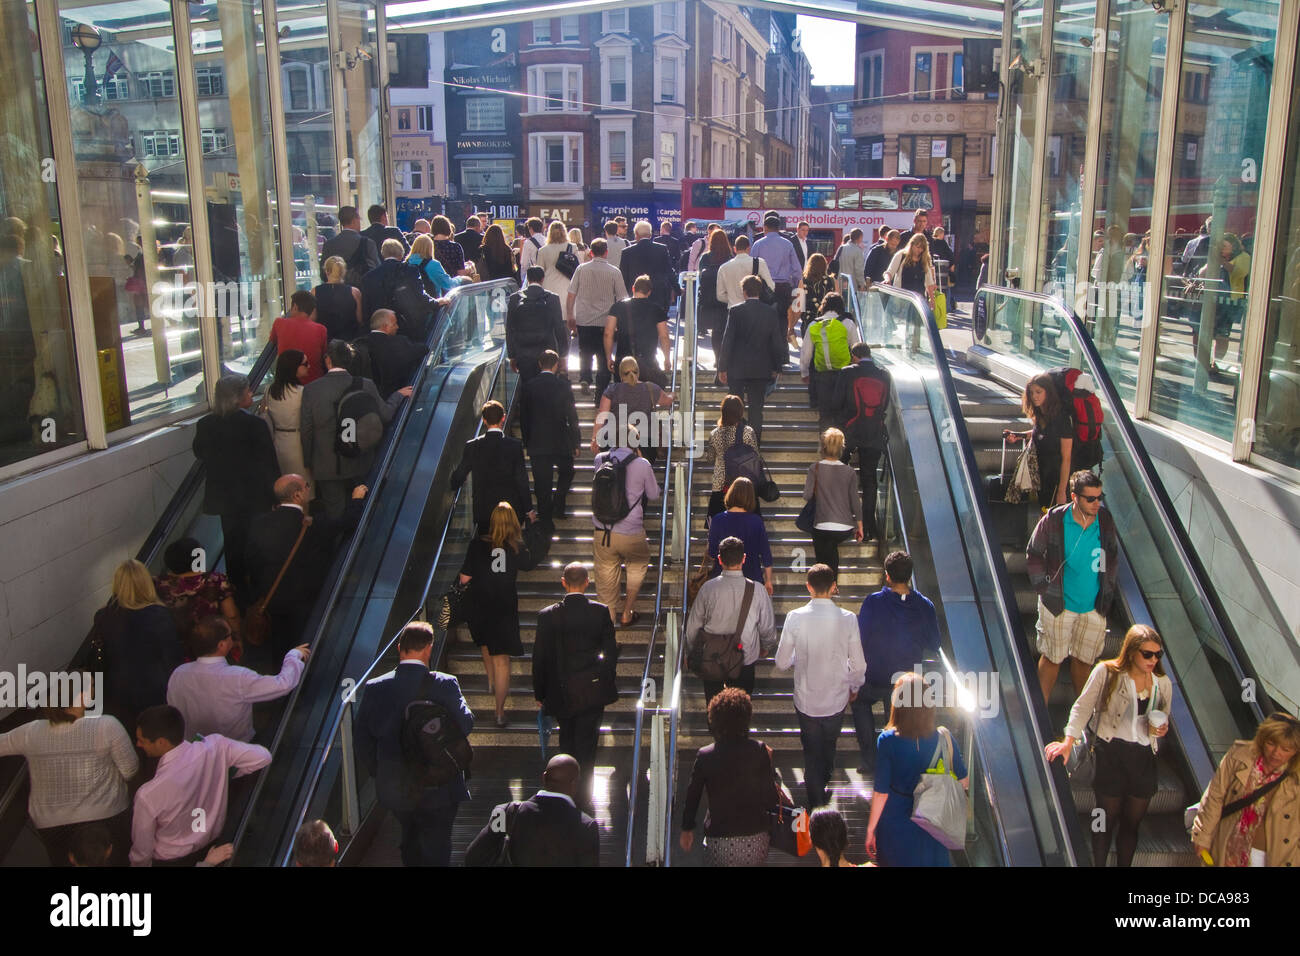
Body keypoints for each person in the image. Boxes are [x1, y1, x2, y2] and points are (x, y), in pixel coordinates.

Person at [1045, 626, 1174, 867]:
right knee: (1104, 819)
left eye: (1158, 655)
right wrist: (1068, 741)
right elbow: (1082, 706)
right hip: (1111, 753)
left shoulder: (1162, 683)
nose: (1153, 660)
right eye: (1147, 654)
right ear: (1132, 651)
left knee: (1131, 823)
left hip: (1143, 757)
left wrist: (1162, 729)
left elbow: (1163, 716)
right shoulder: (1107, 672)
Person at [354, 622, 474, 867]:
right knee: (438, 845)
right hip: (439, 783)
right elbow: (466, 724)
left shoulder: (375, 687)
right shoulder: (445, 683)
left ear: (400, 648)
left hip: (396, 784)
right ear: (429, 649)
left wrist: (380, 771)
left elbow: (361, 738)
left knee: (409, 838)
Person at [130, 704, 271, 866]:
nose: (138, 745)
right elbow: (263, 757)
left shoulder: (148, 794)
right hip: (215, 845)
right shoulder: (216, 746)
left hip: (171, 860)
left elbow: (142, 851)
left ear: (161, 742)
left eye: (142, 741)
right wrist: (223, 774)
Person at [0, 702, 138, 867]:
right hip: (107, 814)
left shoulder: (31, 732)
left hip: (52, 823)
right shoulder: (107, 726)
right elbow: (129, 770)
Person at [775, 563, 867, 809]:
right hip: (836, 697)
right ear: (833, 586)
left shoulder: (795, 617)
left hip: (806, 699)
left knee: (810, 748)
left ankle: (815, 796)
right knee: (829, 743)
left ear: (808, 587)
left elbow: (782, 662)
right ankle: (824, 778)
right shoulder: (848, 619)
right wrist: (855, 686)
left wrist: (798, 658)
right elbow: (858, 664)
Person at [244, 476, 367, 654]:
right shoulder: (312, 525)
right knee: (304, 645)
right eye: (306, 486)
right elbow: (348, 522)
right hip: (305, 602)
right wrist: (356, 500)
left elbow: (250, 561)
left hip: (271, 600)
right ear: (297, 495)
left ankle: (281, 675)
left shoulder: (259, 523)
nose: (309, 489)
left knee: (279, 646)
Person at [532, 564, 620, 811]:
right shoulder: (600, 612)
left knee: (566, 741)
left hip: (560, 690)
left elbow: (540, 658)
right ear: (587, 582)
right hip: (591, 690)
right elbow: (610, 652)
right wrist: (604, 679)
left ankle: (563, 793)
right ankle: (584, 796)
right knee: (588, 745)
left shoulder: (547, 615)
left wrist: (540, 692)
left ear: (563, 582)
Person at [1026, 470, 1119, 703]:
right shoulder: (1055, 520)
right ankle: (1041, 716)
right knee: (1052, 659)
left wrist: (1107, 588)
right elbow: (1034, 552)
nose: (1097, 503)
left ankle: (1082, 719)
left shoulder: (1105, 520)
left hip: (1093, 607)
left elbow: (1112, 555)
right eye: (1091, 499)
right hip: (1058, 604)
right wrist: (1043, 589)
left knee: (1084, 661)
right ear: (1075, 497)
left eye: (1100, 497)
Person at [193, 373, 280, 602]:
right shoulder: (254, 425)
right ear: (237, 397)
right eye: (249, 391)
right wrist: (275, 495)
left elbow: (200, 453)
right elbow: (268, 463)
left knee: (232, 545)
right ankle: (259, 596)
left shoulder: (206, 425)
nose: (251, 394)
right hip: (255, 498)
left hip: (225, 499)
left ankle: (236, 594)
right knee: (256, 545)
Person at [866, 672, 968, 866]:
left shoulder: (887, 741)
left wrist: (871, 829)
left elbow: (881, 793)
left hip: (896, 821)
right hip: (934, 823)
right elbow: (964, 782)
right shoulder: (944, 738)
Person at [852, 551, 941, 772]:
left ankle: (869, 759)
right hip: (907, 679)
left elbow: (859, 637)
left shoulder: (873, 602)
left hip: (874, 675)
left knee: (860, 703)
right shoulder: (925, 605)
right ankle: (893, 761)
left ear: (887, 576)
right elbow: (935, 642)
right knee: (899, 716)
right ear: (910, 575)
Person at [300, 339, 409, 518]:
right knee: (362, 505)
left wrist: (308, 461)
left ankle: (339, 543)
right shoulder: (366, 384)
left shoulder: (311, 390)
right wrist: (397, 395)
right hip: (360, 458)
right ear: (350, 361)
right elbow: (386, 415)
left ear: (328, 360)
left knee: (334, 510)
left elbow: (307, 430)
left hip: (326, 463)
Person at [166, 616, 307, 741]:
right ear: (221, 645)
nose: (233, 637)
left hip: (195, 753)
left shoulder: (179, 673)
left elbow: (174, 711)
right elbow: (282, 684)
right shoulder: (237, 677)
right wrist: (293, 655)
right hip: (235, 754)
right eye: (230, 635)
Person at [678, 688, 777, 865]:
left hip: (720, 838)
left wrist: (687, 828)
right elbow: (771, 798)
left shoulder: (705, 755)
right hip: (756, 837)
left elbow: (693, 796)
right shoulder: (759, 750)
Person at [1191, 713, 1300, 868]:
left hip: (1277, 856)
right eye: (1271, 743)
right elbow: (1214, 797)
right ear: (1262, 740)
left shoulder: (1296, 775)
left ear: (1296, 751)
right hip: (1229, 847)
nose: (1276, 753)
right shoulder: (1239, 756)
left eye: (1286, 749)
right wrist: (1202, 836)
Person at [88, 560, 184, 736]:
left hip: (116, 691)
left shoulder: (103, 616)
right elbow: (172, 658)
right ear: (146, 583)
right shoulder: (160, 615)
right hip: (155, 690)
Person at [458, 502, 531, 727]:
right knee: (503, 661)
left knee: (485, 644)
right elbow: (529, 563)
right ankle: (499, 712)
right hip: (504, 606)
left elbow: (464, 579)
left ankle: (490, 682)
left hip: (480, 605)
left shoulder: (476, 545)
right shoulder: (517, 547)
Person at [464, 754, 601, 866]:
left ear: (544, 777)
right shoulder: (586, 826)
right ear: (574, 784)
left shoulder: (505, 812)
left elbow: (473, 857)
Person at [686, 537, 775, 702]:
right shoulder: (757, 590)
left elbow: (693, 626)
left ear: (719, 559)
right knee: (740, 710)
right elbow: (767, 627)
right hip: (744, 658)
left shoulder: (707, 588)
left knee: (714, 710)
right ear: (744, 559)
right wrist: (766, 645)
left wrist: (690, 651)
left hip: (711, 657)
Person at [591, 433, 659, 628]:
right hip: (631, 530)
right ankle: (627, 612)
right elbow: (654, 494)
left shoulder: (600, 459)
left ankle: (609, 627)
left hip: (603, 530)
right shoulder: (642, 464)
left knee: (605, 581)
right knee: (637, 565)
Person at [717, 275, 787, 443]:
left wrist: (722, 367)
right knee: (756, 409)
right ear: (760, 291)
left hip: (737, 368)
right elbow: (777, 342)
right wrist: (778, 367)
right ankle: (754, 445)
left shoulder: (735, 311)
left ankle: (735, 442)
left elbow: (728, 341)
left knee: (734, 408)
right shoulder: (770, 312)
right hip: (761, 368)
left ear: (744, 292)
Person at [832, 342, 892, 536]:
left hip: (850, 431)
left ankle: (839, 518)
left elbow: (837, 401)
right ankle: (868, 527)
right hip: (874, 432)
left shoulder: (847, 372)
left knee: (839, 473)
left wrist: (840, 424)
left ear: (854, 355)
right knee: (869, 479)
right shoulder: (883, 374)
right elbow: (884, 404)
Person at [449, 399, 534, 533]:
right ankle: (502, 554)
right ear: (503, 418)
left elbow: (459, 474)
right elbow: (521, 479)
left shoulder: (472, 446)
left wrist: (454, 485)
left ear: (484, 420)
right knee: (507, 547)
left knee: (487, 548)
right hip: (510, 509)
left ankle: (495, 554)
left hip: (483, 510)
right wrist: (529, 509)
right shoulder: (514, 446)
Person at [520, 350, 581, 524]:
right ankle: (558, 505)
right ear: (556, 365)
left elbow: (524, 417)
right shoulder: (563, 386)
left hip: (537, 442)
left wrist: (527, 440)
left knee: (542, 482)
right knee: (567, 472)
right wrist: (575, 441)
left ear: (540, 364)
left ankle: (545, 517)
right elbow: (572, 416)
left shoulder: (529, 386)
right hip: (560, 440)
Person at [155, 536, 242, 653]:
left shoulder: (160, 584)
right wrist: (236, 638)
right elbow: (231, 615)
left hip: (177, 648)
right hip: (213, 646)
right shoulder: (215, 581)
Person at [1004, 371, 1074, 509]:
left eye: (1038, 392)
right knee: (1045, 514)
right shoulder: (1041, 413)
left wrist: (1061, 491)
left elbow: (1066, 458)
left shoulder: (1061, 418)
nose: (1034, 396)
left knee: (1052, 519)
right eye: (1031, 392)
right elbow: (1040, 434)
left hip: (1056, 479)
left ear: (1048, 392)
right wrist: (1018, 435)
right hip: (1041, 475)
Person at [566, 239, 627, 392]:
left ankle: (585, 378)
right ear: (606, 252)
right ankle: (602, 389)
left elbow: (571, 294)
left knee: (584, 352)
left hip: (584, 319)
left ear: (591, 252)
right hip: (606, 321)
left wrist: (570, 315)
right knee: (603, 355)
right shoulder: (614, 272)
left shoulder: (581, 269)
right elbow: (622, 298)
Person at [802, 428, 864, 576]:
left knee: (822, 550)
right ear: (841, 448)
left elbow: (807, 495)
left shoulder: (814, 468)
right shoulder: (849, 472)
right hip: (844, 527)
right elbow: (855, 501)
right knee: (831, 547)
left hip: (821, 524)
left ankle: (823, 582)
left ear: (822, 447)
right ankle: (832, 582)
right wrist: (860, 526)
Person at [593, 356, 673, 464]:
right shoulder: (651, 388)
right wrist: (673, 395)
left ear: (621, 375)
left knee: (616, 474)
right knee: (641, 474)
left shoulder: (612, 390)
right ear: (638, 373)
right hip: (645, 443)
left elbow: (602, 416)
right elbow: (667, 401)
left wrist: (594, 439)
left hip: (615, 441)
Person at [801, 293, 862, 431]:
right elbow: (856, 348)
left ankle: (825, 446)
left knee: (825, 414)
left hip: (822, 376)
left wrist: (804, 372)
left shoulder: (813, 324)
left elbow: (806, 354)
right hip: (844, 375)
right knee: (843, 413)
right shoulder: (848, 323)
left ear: (824, 306)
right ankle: (841, 448)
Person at [705, 478, 774, 593]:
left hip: (722, 581)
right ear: (750, 497)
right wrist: (768, 581)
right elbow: (766, 555)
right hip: (752, 580)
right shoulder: (756, 521)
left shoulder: (717, 520)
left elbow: (712, 553)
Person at [604, 275, 671, 391]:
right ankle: (645, 410)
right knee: (646, 396)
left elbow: (608, 333)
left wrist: (609, 357)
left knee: (623, 396)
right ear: (649, 292)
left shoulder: (618, 307)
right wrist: (667, 358)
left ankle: (623, 410)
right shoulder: (656, 310)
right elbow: (664, 336)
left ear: (633, 288)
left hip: (623, 362)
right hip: (648, 362)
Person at [260, 349, 313, 493]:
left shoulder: (269, 390)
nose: (309, 366)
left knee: (284, 490)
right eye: (305, 364)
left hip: (278, 442)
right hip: (298, 444)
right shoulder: (303, 392)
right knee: (301, 490)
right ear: (293, 368)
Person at [362, 238, 436, 339]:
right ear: (401, 254)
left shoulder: (368, 277)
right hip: (408, 329)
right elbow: (419, 296)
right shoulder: (410, 270)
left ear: (383, 254)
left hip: (379, 331)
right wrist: (436, 303)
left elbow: (366, 308)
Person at [700, 394, 760, 519]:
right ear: (740, 411)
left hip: (720, 484)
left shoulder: (714, 434)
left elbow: (710, 458)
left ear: (723, 411)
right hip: (743, 485)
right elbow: (756, 456)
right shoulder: (748, 432)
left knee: (719, 524)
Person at [508, 265, 569, 384]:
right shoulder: (552, 298)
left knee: (527, 385)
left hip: (523, 353)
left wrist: (512, 355)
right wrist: (562, 355)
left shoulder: (515, 298)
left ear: (528, 279)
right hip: (547, 352)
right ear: (542, 279)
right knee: (548, 386)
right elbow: (559, 328)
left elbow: (510, 329)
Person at [352, 309, 428, 399]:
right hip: (395, 400)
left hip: (367, 399)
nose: (397, 327)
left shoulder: (358, 343)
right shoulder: (399, 343)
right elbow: (423, 349)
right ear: (385, 327)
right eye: (395, 324)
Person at [752, 214, 802, 332]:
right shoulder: (788, 244)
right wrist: (793, 286)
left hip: (763, 287)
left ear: (765, 227)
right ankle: (781, 346)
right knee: (782, 319)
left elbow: (752, 267)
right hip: (783, 287)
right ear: (778, 228)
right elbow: (797, 270)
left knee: (763, 321)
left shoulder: (758, 244)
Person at [269, 290, 328, 384]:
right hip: (314, 384)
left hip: (287, 385)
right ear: (312, 310)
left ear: (295, 306)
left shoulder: (279, 323)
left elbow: (273, 340)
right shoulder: (321, 329)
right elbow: (323, 355)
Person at [619, 220, 676, 310]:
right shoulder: (662, 249)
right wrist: (677, 289)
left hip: (635, 298)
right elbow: (669, 271)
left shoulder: (627, 252)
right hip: (658, 297)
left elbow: (623, 276)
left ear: (636, 234)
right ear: (650, 235)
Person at [697, 228, 733, 367]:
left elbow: (701, 276)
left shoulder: (706, 257)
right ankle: (726, 359)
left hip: (710, 300)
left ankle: (717, 359)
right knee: (726, 330)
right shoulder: (730, 258)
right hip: (726, 299)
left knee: (716, 331)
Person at [320, 205, 380, 284]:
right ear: (355, 220)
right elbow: (376, 271)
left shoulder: (328, 244)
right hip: (361, 291)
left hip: (337, 291)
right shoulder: (367, 243)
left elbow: (323, 274)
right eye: (359, 219)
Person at [716, 234, 774, 310]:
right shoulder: (759, 262)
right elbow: (771, 286)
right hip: (754, 309)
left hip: (733, 309)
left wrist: (732, 299)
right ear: (748, 248)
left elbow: (720, 296)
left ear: (734, 249)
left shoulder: (723, 267)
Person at [314, 255, 363, 340]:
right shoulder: (354, 292)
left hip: (325, 339)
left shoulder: (315, 291)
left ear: (326, 271)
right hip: (349, 339)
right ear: (343, 272)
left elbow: (313, 318)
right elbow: (359, 319)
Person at [885, 233, 937, 309]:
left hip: (919, 300)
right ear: (912, 244)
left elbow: (929, 282)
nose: (920, 250)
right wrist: (887, 280)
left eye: (922, 248)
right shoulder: (901, 255)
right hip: (902, 299)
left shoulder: (925, 259)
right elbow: (889, 272)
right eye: (917, 247)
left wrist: (932, 300)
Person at [406, 233, 465, 298]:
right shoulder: (433, 265)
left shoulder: (406, 263)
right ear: (430, 248)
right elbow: (448, 284)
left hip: (409, 303)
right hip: (431, 303)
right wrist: (461, 279)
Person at [796, 252, 836, 337]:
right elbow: (839, 302)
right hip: (829, 323)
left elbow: (798, 307)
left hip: (809, 323)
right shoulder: (833, 281)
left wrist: (791, 327)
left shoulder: (802, 282)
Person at [537, 219, 576, 299]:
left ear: (549, 233)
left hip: (548, 286)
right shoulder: (572, 247)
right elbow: (578, 267)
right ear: (564, 232)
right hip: (567, 285)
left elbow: (539, 271)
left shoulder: (543, 250)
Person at [431, 215, 472, 279]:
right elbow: (461, 273)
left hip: (434, 284)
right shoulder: (455, 247)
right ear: (448, 228)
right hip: (452, 285)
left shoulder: (429, 246)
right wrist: (469, 268)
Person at [518, 217, 546, 282]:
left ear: (530, 229)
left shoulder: (528, 243)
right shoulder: (547, 240)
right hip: (545, 275)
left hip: (533, 277)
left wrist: (523, 278)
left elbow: (524, 263)